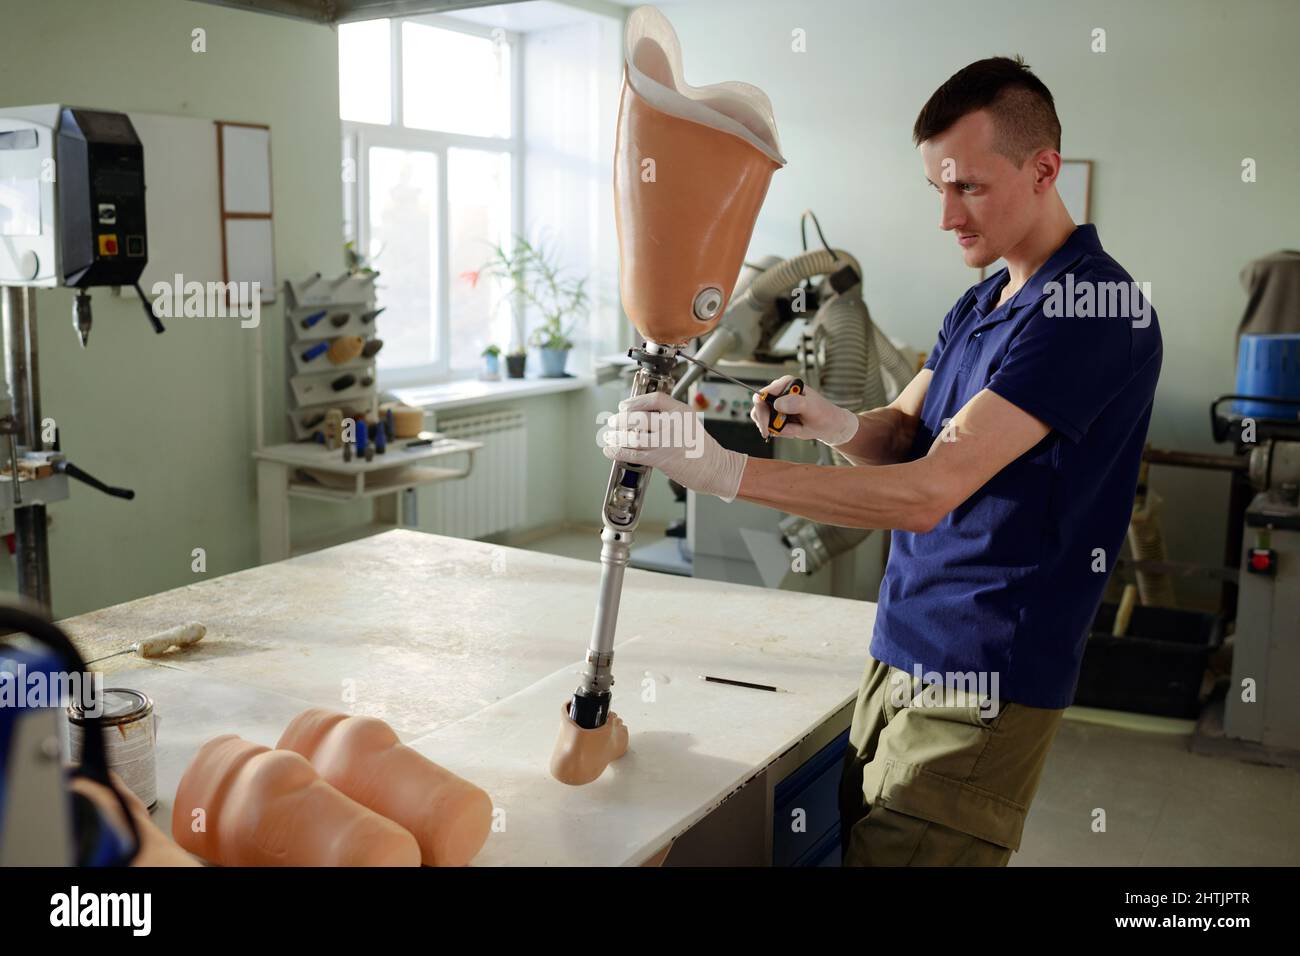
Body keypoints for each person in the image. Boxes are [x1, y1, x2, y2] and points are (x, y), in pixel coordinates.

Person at [603, 56, 1163, 866]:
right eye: (937, 188)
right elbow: (907, 433)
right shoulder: (983, 300)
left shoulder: (1090, 309)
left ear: (1045, 170)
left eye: (966, 186)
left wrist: (719, 468)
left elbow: (930, 490)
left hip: (983, 673)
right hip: (902, 639)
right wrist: (835, 423)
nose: (946, 217)